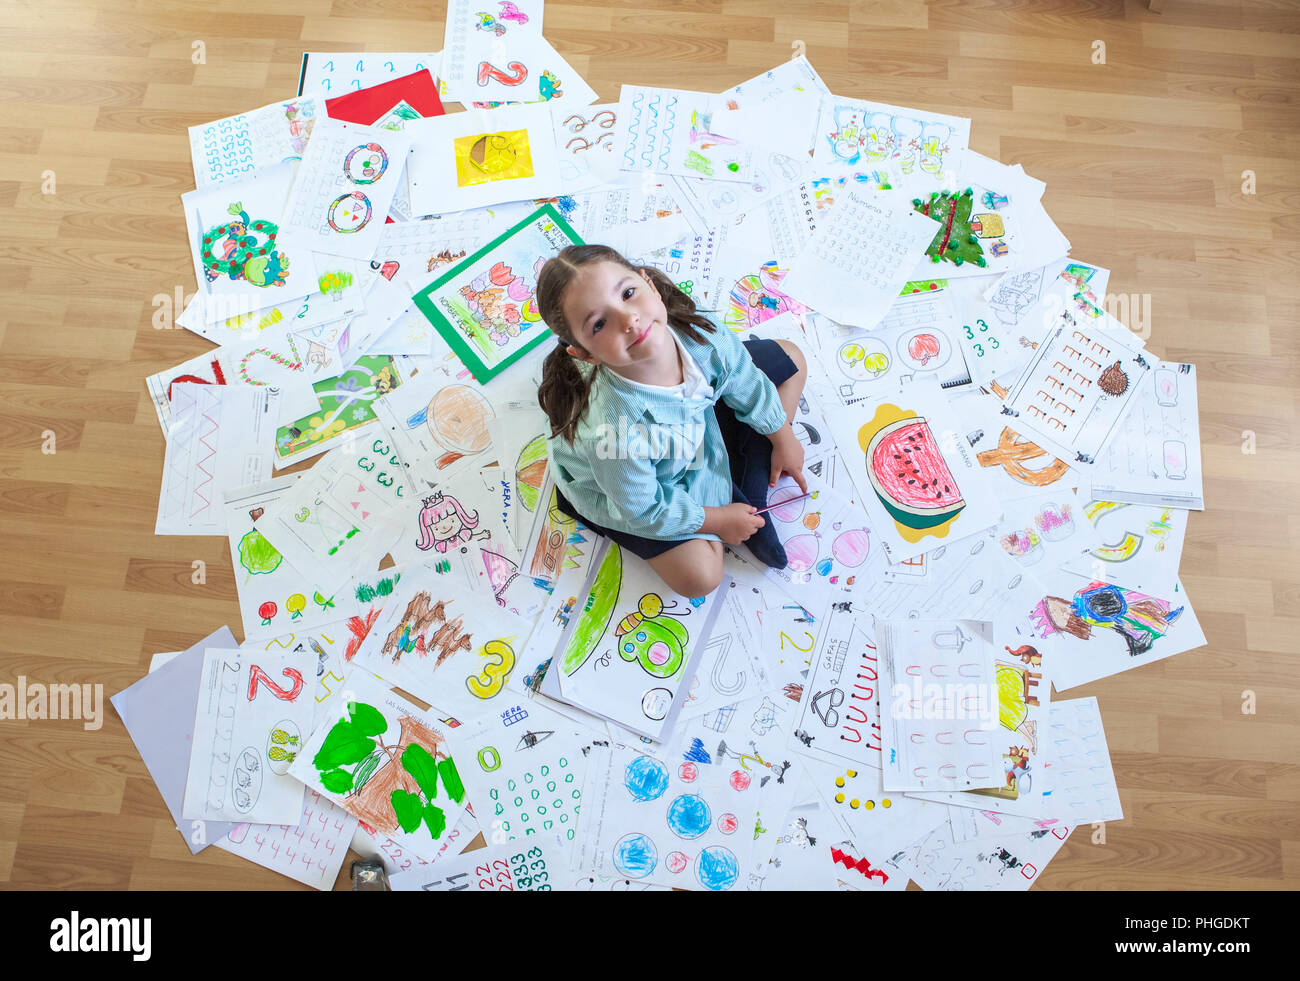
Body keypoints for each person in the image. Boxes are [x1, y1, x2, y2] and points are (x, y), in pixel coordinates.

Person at [536, 244, 809, 598]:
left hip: (692, 423)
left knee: (793, 357)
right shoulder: (612, 434)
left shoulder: (699, 336)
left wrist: (783, 437)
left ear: (649, 283)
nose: (629, 320)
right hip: (632, 484)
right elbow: (644, 509)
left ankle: (749, 474)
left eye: (628, 293)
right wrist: (719, 520)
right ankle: (739, 480)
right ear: (585, 353)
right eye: (600, 324)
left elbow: (745, 378)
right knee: (701, 577)